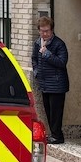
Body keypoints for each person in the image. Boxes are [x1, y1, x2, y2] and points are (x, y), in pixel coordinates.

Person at [32, 16, 69, 145]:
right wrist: (36, 72)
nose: (45, 34)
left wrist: (47, 54)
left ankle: (58, 136)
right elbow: (34, 59)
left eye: (47, 31)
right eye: (42, 31)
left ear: (52, 30)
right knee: (48, 110)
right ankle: (53, 134)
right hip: (44, 83)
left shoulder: (59, 44)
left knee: (56, 112)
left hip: (57, 84)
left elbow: (62, 62)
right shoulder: (37, 43)